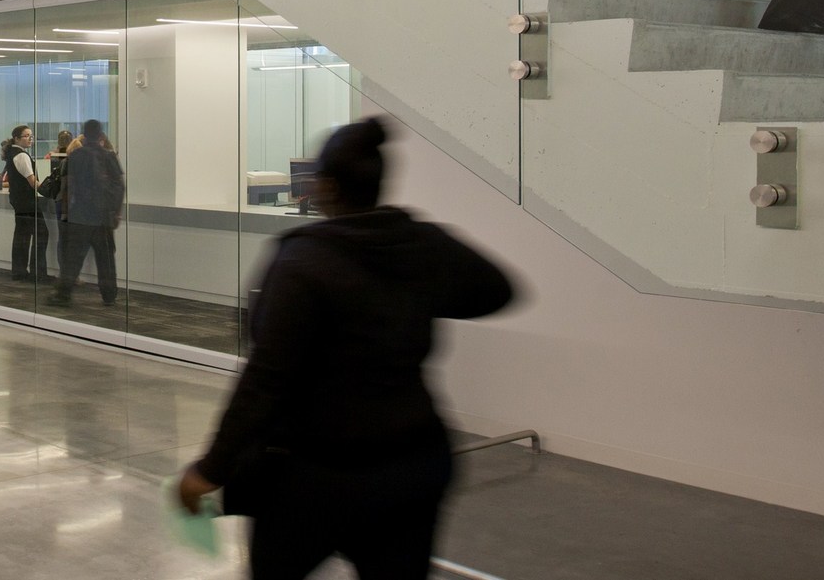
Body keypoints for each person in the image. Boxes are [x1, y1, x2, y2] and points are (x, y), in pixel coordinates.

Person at [177, 117, 516, 580]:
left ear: (327, 186)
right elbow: (495, 291)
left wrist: (212, 468)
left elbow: (267, 380)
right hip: (413, 463)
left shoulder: (303, 259)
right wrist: (415, 290)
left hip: (316, 474)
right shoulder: (415, 243)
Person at [48, 120, 125, 308]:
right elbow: (119, 185)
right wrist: (116, 212)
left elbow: (69, 186)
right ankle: (109, 295)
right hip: (103, 215)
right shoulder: (108, 156)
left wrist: (67, 212)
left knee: (73, 258)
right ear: (100, 135)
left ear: (83, 134)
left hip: (80, 214)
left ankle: (63, 294)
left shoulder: (76, 156)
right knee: (106, 259)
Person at [3, 126, 48, 284]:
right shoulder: (21, 156)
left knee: (22, 236)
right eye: (26, 136)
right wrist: (48, 190)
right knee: (42, 234)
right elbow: (32, 181)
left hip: (18, 200)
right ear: (16, 138)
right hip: (27, 202)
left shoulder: (13, 153)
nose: (30, 139)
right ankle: (38, 273)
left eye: (31, 136)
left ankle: (20, 271)